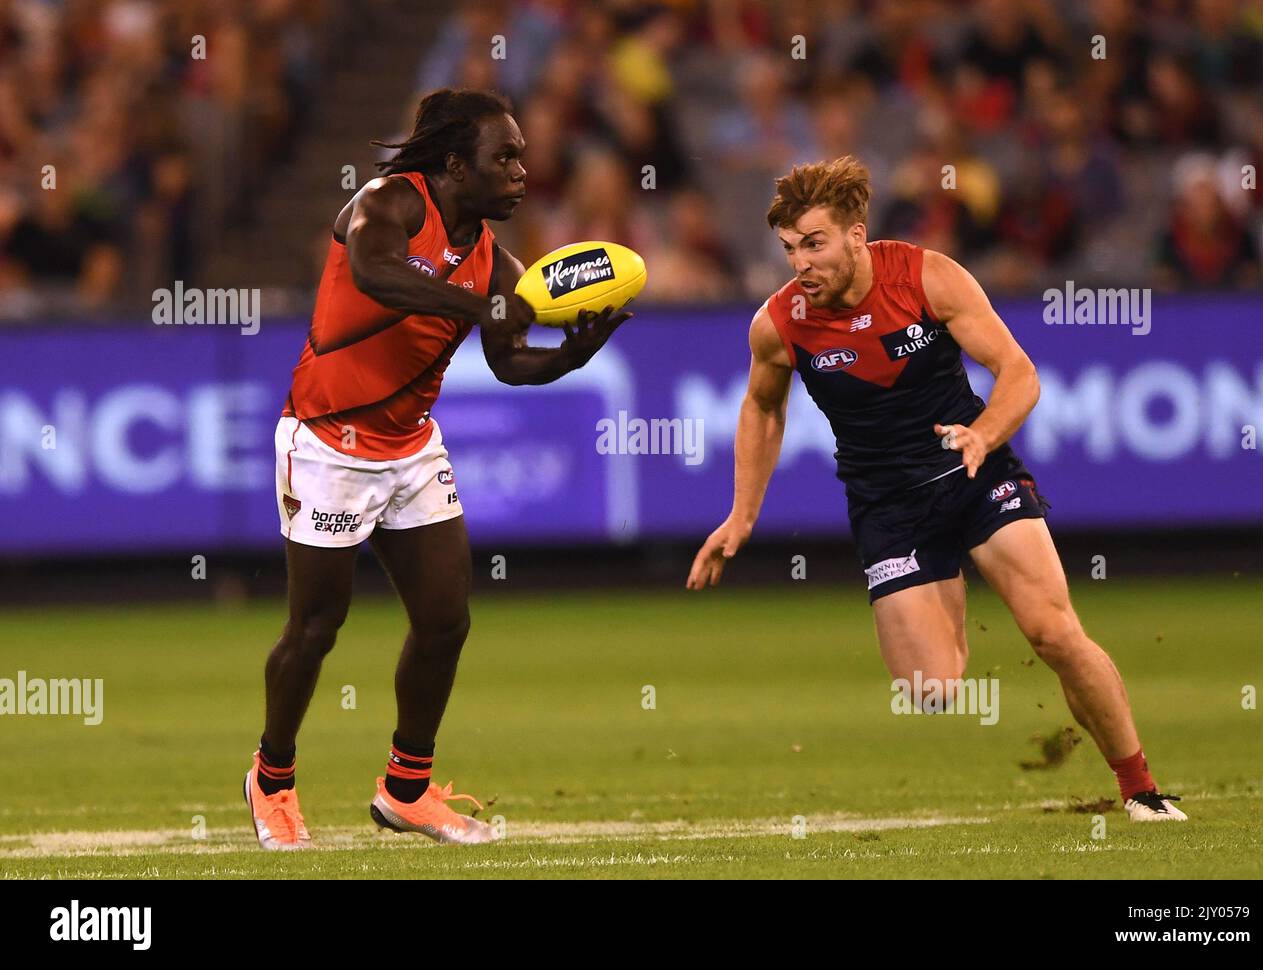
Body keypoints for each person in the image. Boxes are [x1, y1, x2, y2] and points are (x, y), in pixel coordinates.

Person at [687, 156, 1185, 822]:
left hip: (975, 474)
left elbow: (1019, 372)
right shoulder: (780, 325)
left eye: (814, 243)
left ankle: (1141, 789)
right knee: (932, 689)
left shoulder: (926, 276)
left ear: (856, 234)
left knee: (1054, 633)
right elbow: (762, 407)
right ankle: (943, 585)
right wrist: (742, 515)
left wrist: (983, 433)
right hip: (888, 506)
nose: (799, 262)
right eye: (789, 249)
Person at [246, 88, 629, 850]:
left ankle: (406, 789)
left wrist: (568, 355)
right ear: (455, 164)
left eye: (521, 156)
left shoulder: (493, 256)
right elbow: (376, 274)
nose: (523, 171)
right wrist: (478, 305)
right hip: (328, 441)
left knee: (446, 619)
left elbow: (510, 360)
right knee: (317, 625)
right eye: (505, 158)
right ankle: (273, 776)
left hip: (412, 446)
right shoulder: (388, 202)